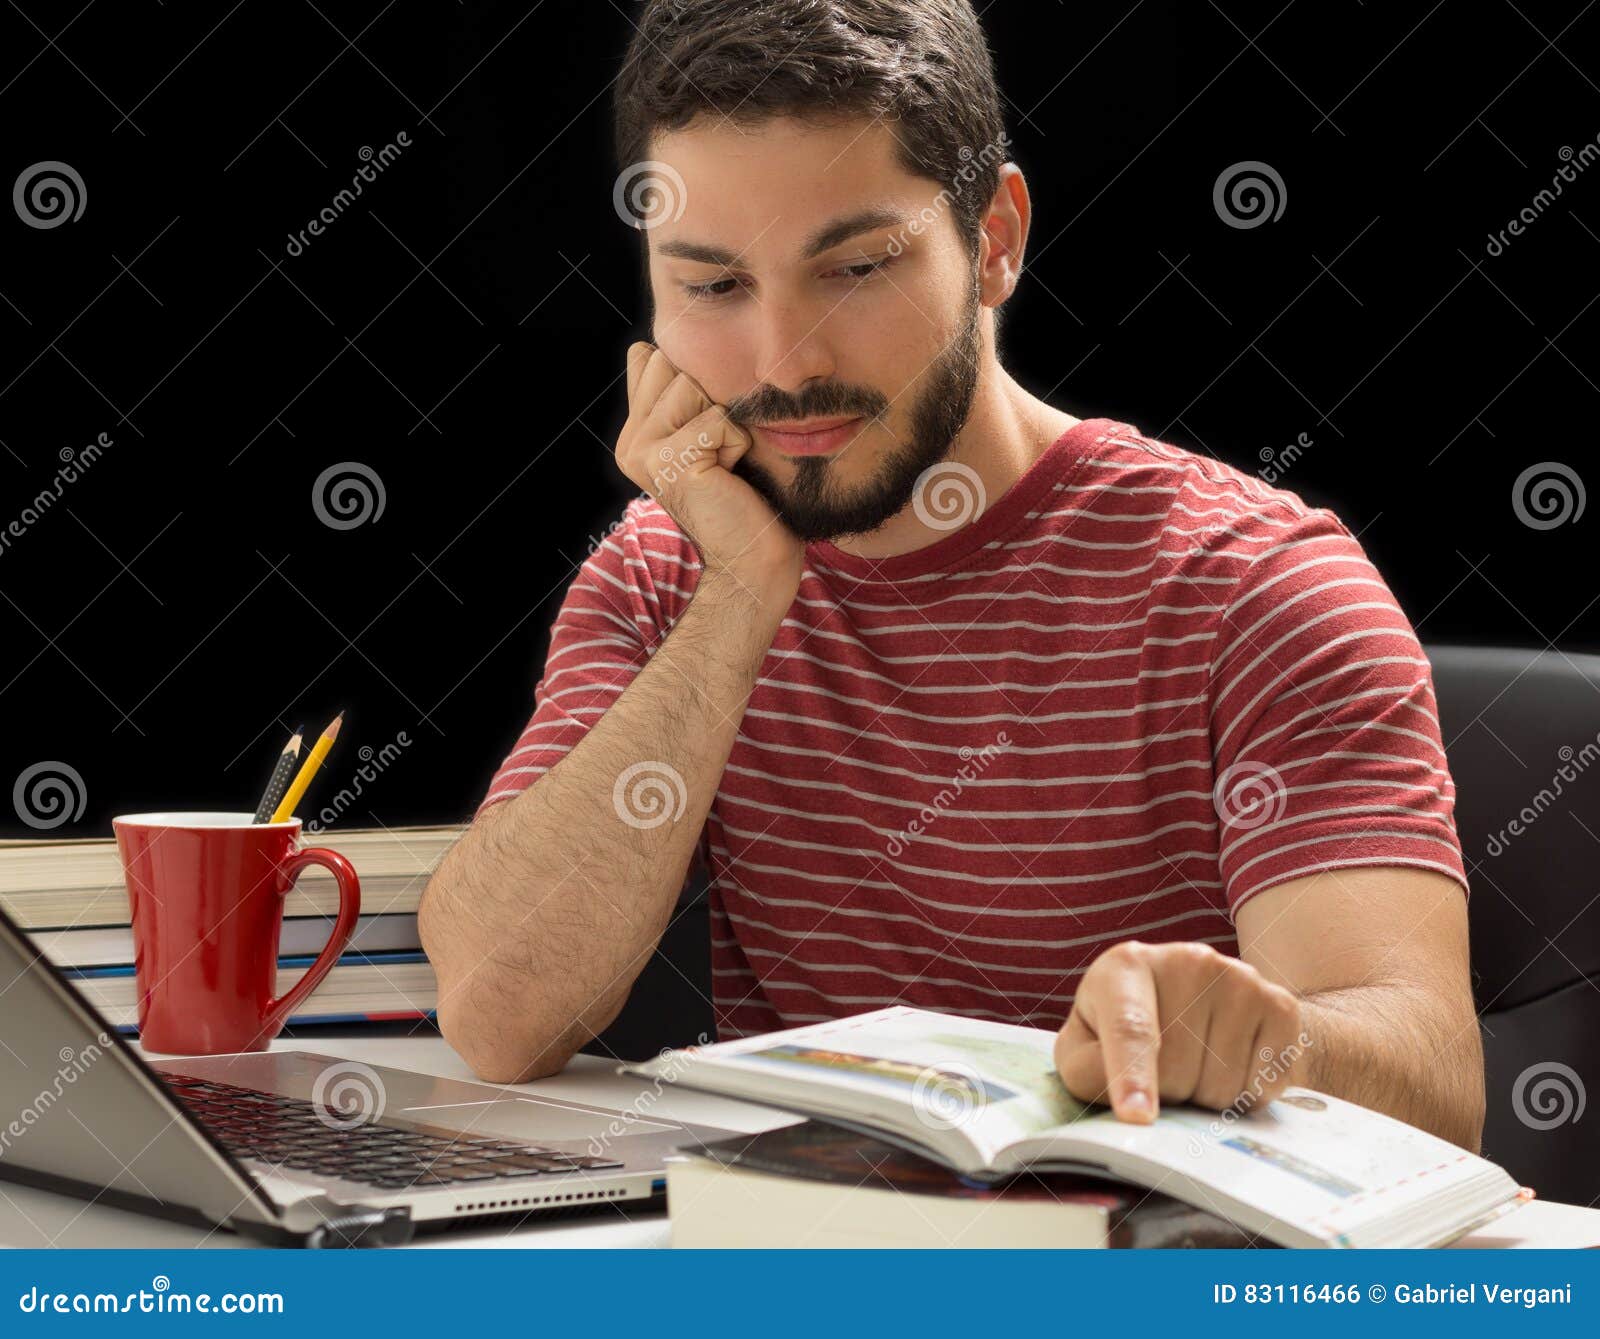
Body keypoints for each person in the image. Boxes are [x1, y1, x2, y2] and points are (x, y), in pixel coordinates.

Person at [419, 0, 1485, 1150]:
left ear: (995, 238)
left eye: (857, 266)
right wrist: (738, 594)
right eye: (714, 288)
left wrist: (1265, 1039)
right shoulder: (664, 581)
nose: (785, 365)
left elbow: (1438, 1084)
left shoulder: (1253, 587)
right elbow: (496, 1016)